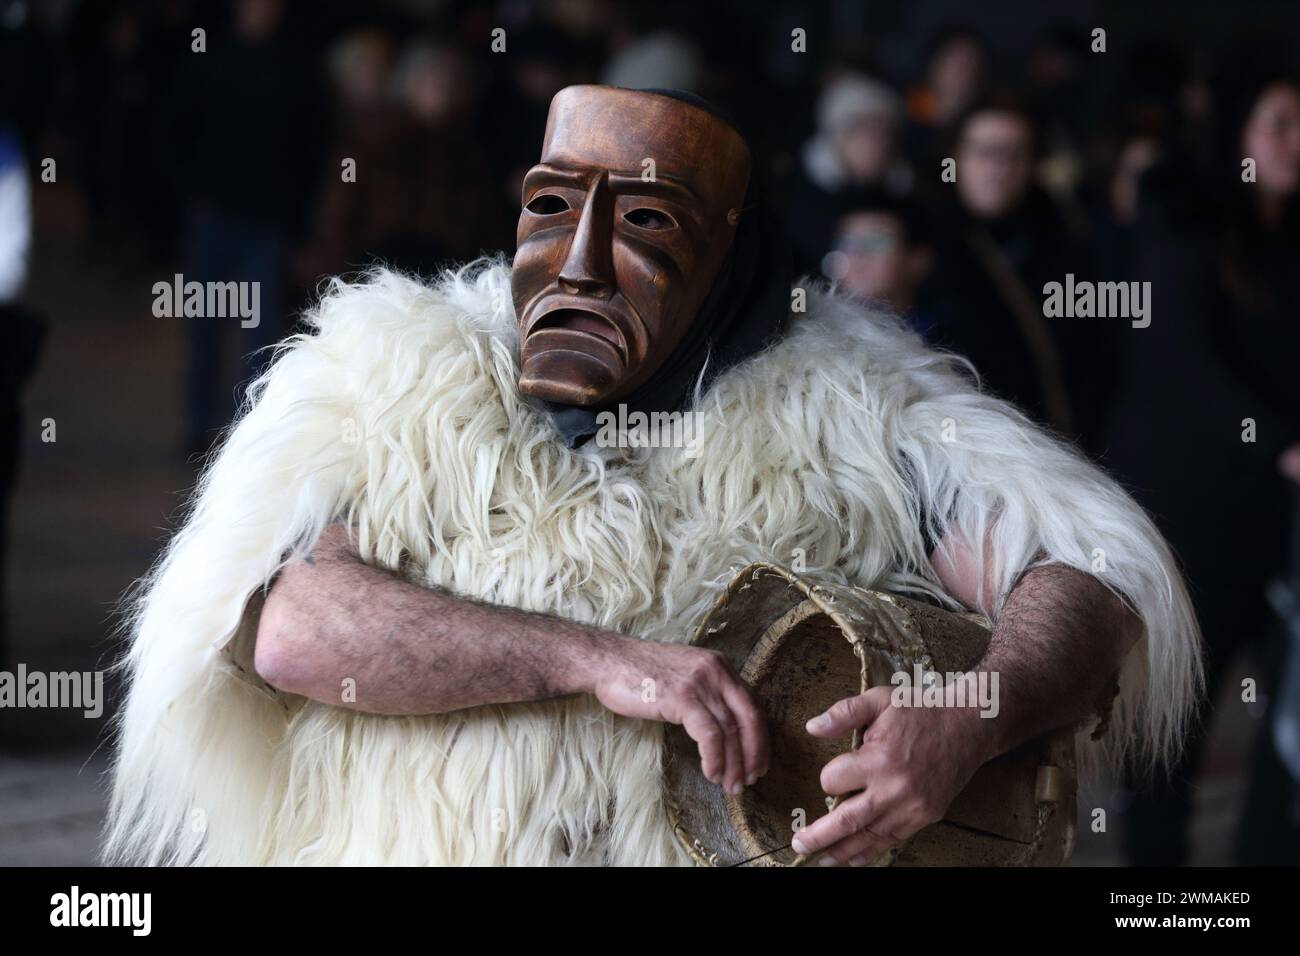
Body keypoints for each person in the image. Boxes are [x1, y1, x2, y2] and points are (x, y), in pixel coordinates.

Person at [108, 86, 1200, 867]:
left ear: (728, 253)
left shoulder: (855, 409)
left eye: (639, 221)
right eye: (548, 206)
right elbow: (288, 624)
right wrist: (599, 661)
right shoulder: (389, 374)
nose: (575, 262)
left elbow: (1088, 566)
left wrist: (968, 713)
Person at [819, 193, 935, 336]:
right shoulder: (817, 330)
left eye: (877, 243)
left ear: (917, 260)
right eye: (847, 244)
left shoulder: (944, 337)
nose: (858, 255)